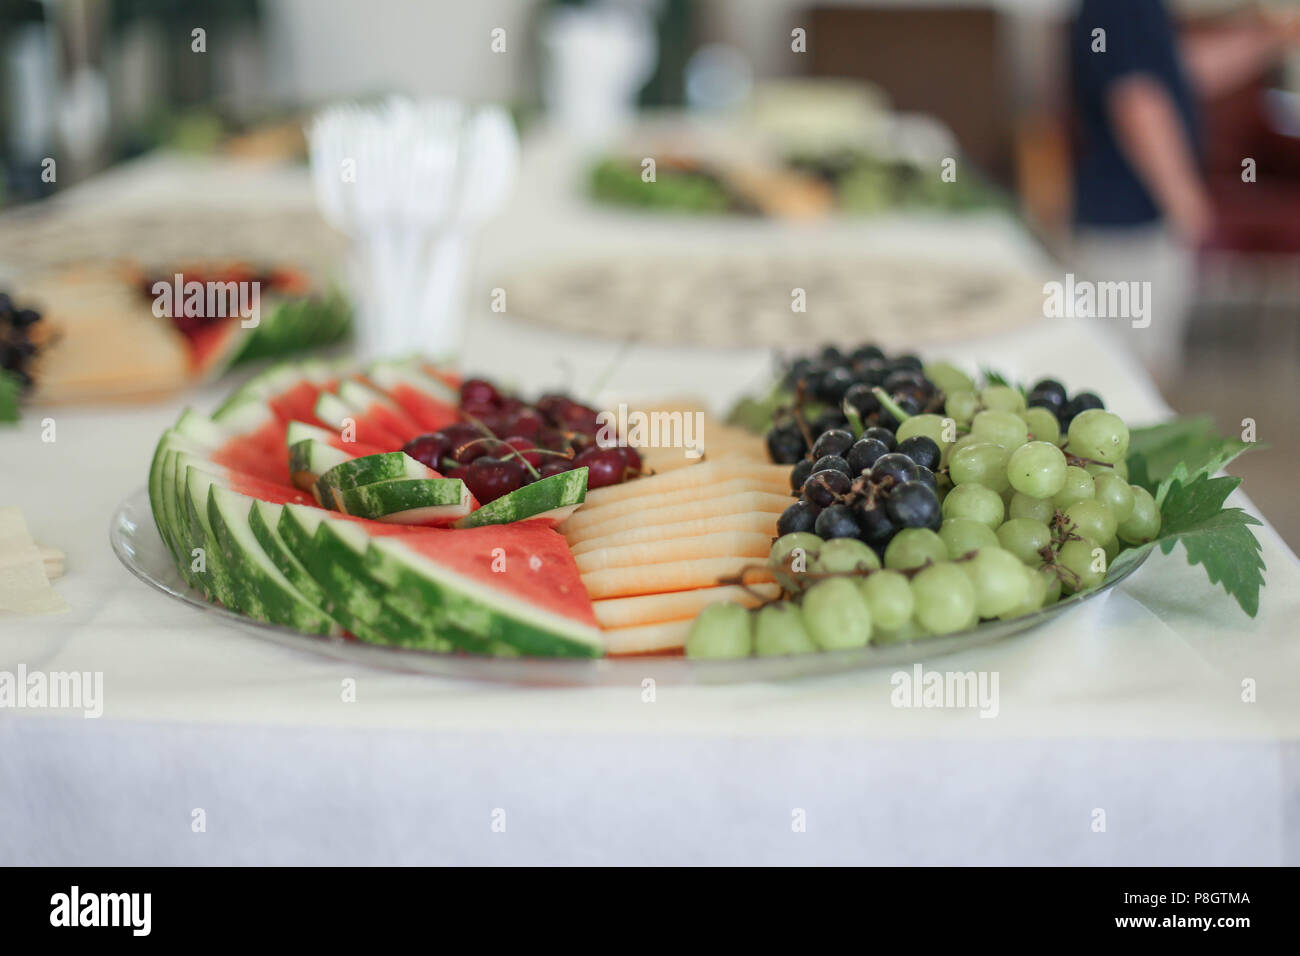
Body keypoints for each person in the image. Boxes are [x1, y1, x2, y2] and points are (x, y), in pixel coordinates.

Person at [1069, 0, 1298, 385]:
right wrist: (1187, 204)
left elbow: (1175, 68)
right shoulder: (1120, 8)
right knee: (1128, 374)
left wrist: (1270, 37)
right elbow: (1137, 101)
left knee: (1143, 363)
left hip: (1136, 221)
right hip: (1125, 226)